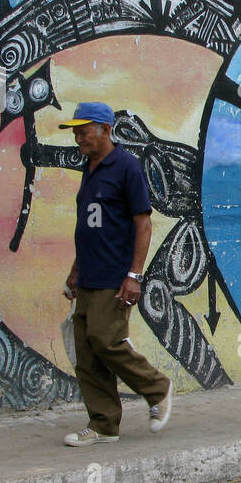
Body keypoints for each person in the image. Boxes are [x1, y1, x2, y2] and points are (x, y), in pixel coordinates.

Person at [58, 101, 172, 445]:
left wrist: (134, 276)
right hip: (90, 276)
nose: (78, 138)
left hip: (115, 276)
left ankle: (157, 387)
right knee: (87, 353)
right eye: (75, 132)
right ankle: (104, 424)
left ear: (106, 129)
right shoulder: (89, 168)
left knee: (107, 341)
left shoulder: (126, 167)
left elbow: (143, 224)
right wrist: (75, 271)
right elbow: (88, 226)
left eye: (84, 131)